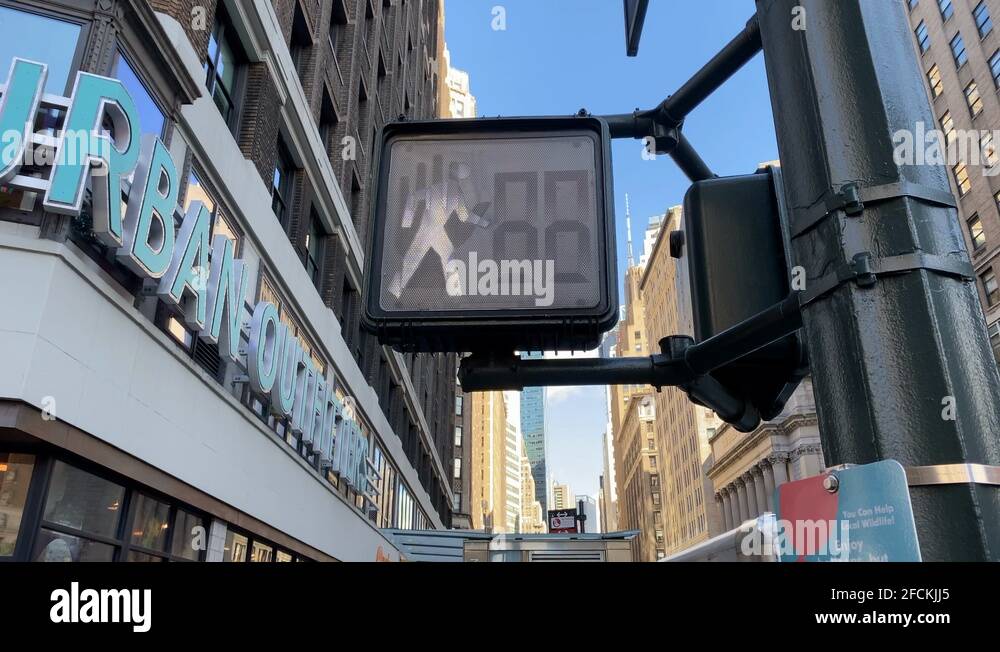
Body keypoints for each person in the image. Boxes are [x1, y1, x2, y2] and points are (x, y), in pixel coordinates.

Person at [388, 161, 490, 299]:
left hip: (438, 233)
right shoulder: (444, 191)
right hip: (428, 230)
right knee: (420, 258)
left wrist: (407, 220)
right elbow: (464, 216)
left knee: (444, 259)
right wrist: (407, 221)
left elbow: (463, 215)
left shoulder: (453, 193)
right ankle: (396, 290)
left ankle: (454, 293)